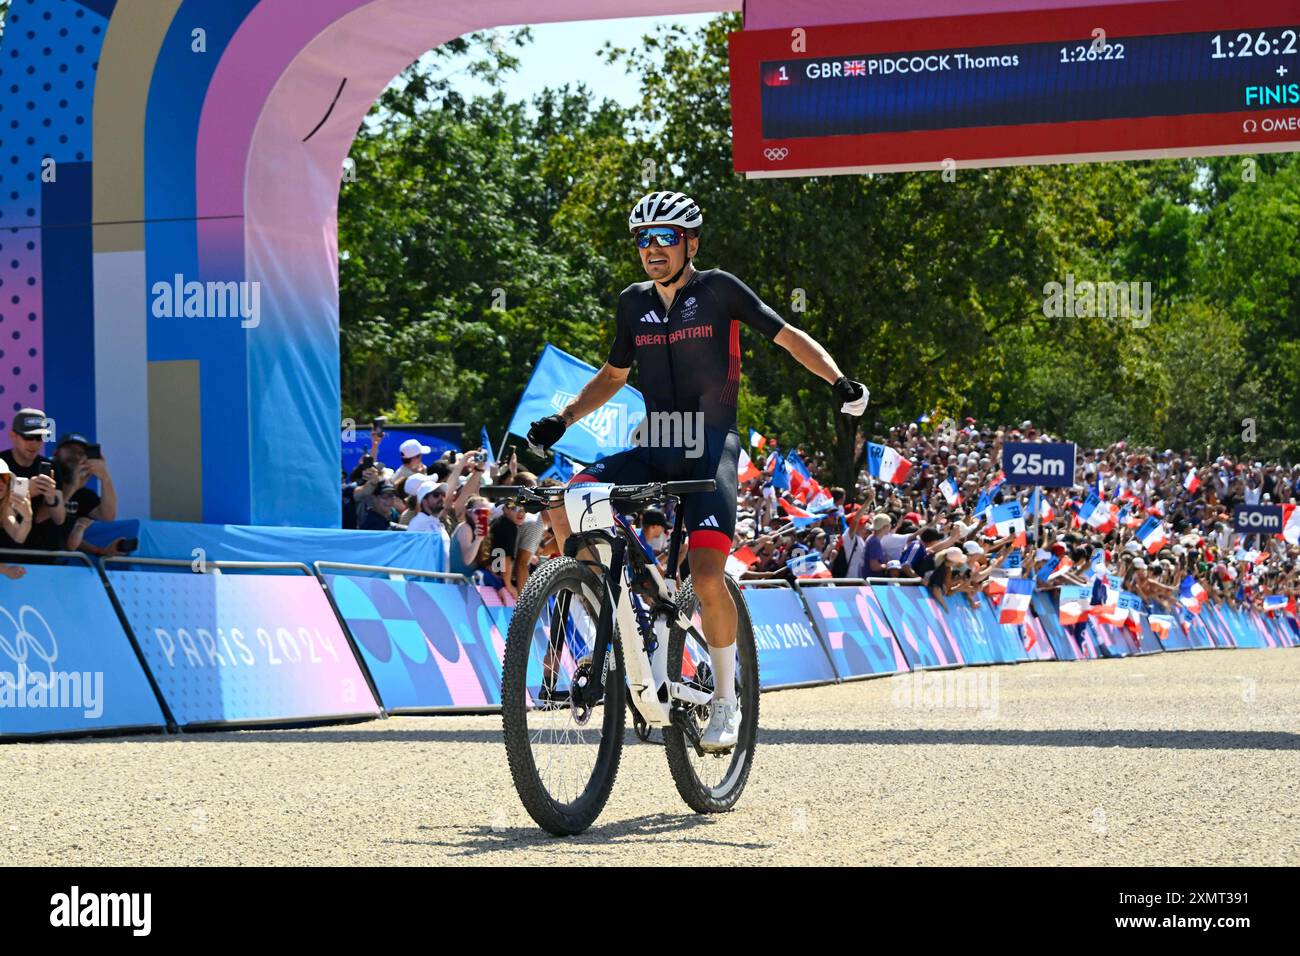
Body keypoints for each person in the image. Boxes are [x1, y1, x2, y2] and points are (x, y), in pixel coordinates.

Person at [526, 190, 868, 752]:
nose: (653, 249)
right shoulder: (632, 303)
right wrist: (562, 420)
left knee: (707, 576)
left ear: (691, 243)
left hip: (711, 448)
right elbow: (612, 377)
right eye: (643, 239)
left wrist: (838, 381)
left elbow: (786, 337)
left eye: (665, 238)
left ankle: (727, 701)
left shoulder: (719, 290)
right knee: (567, 499)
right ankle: (611, 610)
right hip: (656, 443)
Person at [1, 409, 64, 549]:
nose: (34, 443)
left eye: (39, 437)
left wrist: (50, 497)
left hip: (42, 555)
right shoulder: (1, 464)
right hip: (5, 553)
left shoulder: (50, 467)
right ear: (13, 436)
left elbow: (59, 519)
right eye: (28, 437)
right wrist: (24, 490)